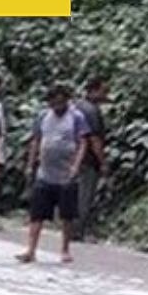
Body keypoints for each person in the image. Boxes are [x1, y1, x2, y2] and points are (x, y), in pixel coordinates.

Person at [17, 84, 88, 264]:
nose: (56, 106)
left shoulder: (76, 117)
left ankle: (65, 249)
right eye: (53, 103)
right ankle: (31, 250)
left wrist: (76, 166)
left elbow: (82, 142)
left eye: (60, 102)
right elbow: (36, 140)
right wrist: (30, 164)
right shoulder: (43, 116)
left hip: (66, 174)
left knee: (66, 215)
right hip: (45, 172)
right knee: (37, 214)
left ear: (66, 101)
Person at [73, 77, 107, 241]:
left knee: (76, 193)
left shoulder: (76, 106)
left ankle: (72, 227)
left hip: (74, 157)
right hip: (88, 159)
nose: (105, 95)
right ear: (94, 90)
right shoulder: (92, 111)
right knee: (85, 196)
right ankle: (78, 230)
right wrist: (102, 162)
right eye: (103, 91)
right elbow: (94, 139)